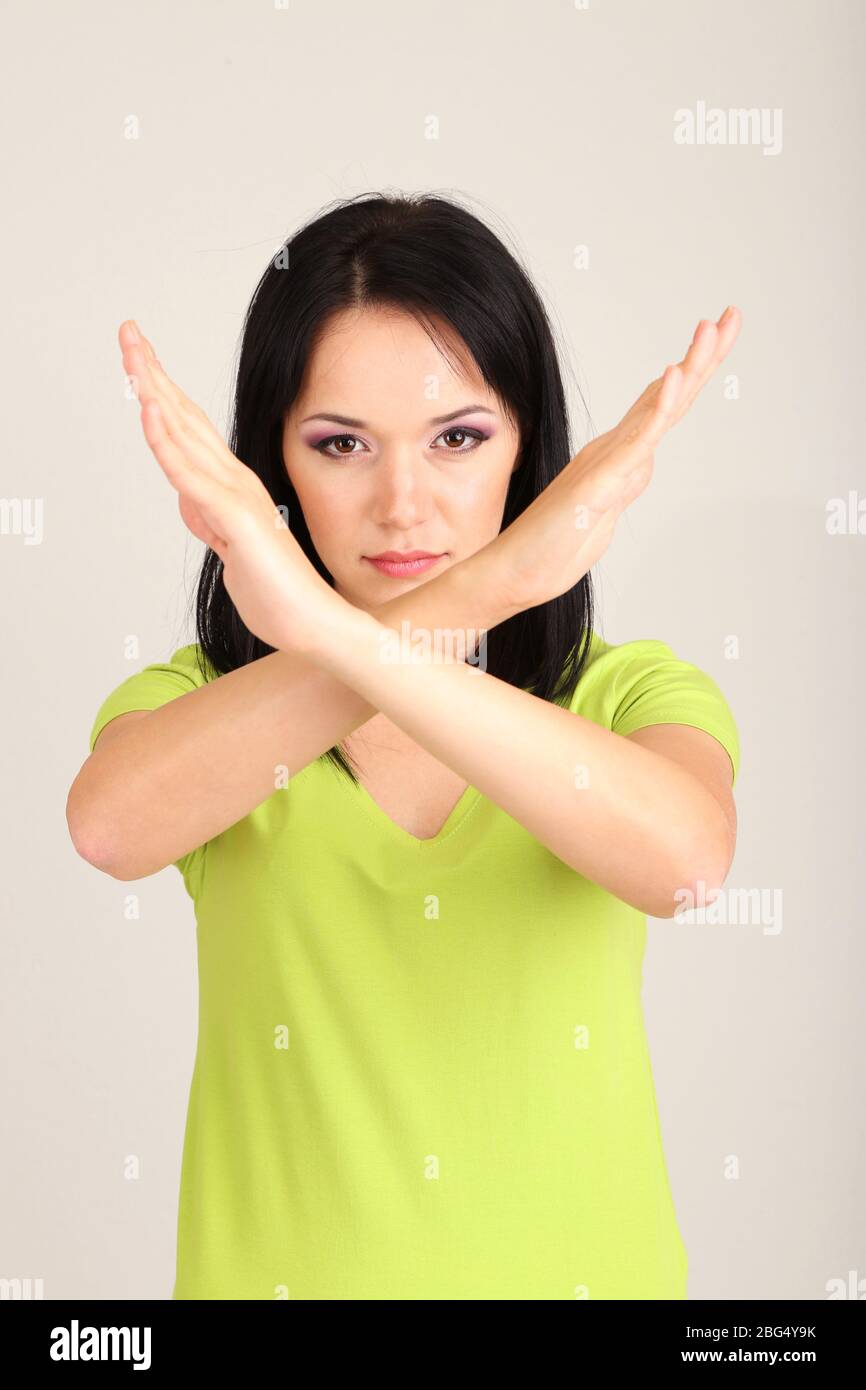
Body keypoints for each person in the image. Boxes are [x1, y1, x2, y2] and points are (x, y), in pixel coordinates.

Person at [67, 192, 741, 1300]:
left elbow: (686, 866)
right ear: (272, 468)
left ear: (529, 452)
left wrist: (348, 623)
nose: (401, 503)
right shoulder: (205, 704)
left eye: (458, 439)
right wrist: (499, 580)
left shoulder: (626, 695)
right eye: (339, 445)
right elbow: (107, 826)